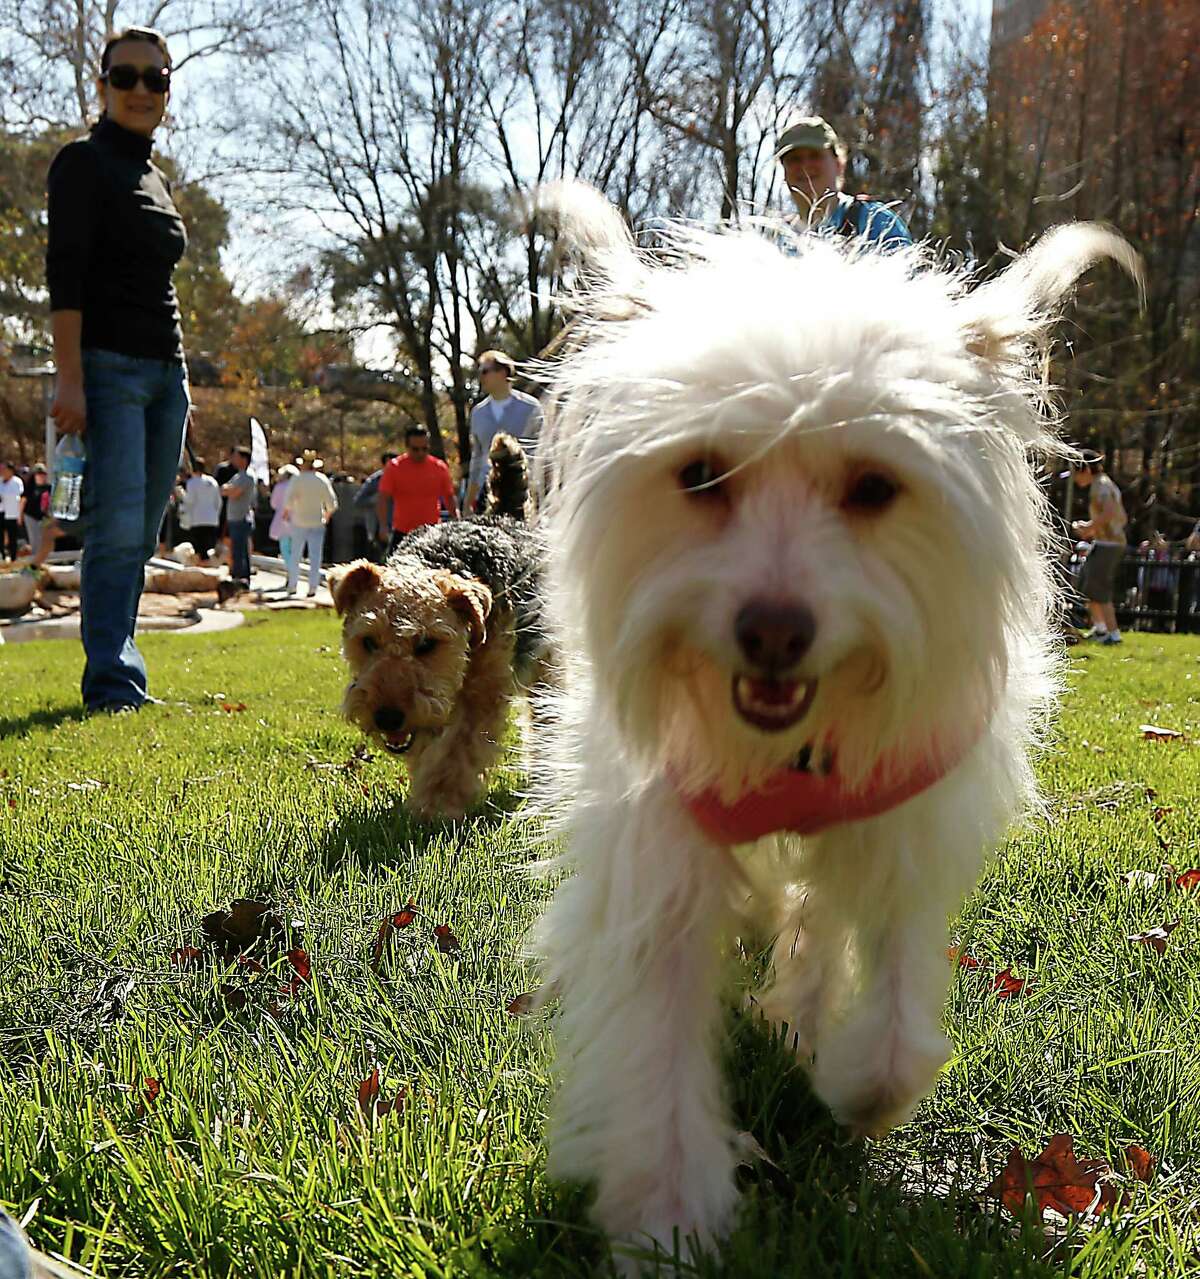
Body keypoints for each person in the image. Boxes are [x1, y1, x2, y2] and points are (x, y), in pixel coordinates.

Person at [46, 25, 189, 713]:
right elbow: (64, 278)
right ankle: (112, 683)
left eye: (154, 79)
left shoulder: (155, 176)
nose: (140, 89)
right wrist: (69, 379)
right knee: (117, 527)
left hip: (168, 374)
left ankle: (121, 670)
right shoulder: (81, 162)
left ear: (167, 90)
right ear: (102, 87)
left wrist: (178, 378)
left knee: (142, 533)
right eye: (125, 77)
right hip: (108, 371)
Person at [774, 116, 912, 251]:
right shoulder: (778, 240)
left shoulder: (876, 221)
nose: (804, 166)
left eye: (814, 155)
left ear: (839, 164)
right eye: (794, 159)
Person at [465, 351, 543, 513]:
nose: (481, 377)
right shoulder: (478, 413)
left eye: (485, 371)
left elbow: (542, 453)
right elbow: (477, 459)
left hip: (522, 493)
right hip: (486, 496)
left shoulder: (531, 408)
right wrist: (468, 501)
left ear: (503, 372)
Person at [1070, 449, 1127, 645]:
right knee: (1087, 583)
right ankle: (1100, 629)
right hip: (1103, 541)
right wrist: (1092, 530)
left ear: (1085, 468)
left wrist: (1088, 527)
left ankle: (1113, 634)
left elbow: (1110, 512)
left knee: (1099, 588)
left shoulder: (1101, 485)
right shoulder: (1099, 484)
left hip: (1109, 544)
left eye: (1076, 472)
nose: (1075, 478)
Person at [377, 425, 459, 553]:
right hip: (402, 533)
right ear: (407, 447)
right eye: (415, 449)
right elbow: (383, 498)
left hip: (431, 532)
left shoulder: (439, 467)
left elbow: (449, 497)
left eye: (424, 449)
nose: (420, 453)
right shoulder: (394, 467)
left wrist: (457, 520)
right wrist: (383, 526)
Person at [282, 449, 338, 596]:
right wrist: (327, 516)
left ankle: (293, 585)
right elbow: (332, 504)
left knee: (296, 554)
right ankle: (312, 587)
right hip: (316, 522)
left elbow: (287, 502)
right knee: (315, 555)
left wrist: (287, 513)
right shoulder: (322, 480)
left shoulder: (296, 480)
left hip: (299, 521)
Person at [220, 447, 255, 582]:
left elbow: (234, 492)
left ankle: (241, 578)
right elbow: (223, 489)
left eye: (236, 456)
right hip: (233, 518)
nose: (233, 459)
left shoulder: (247, 476)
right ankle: (238, 576)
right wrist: (229, 489)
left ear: (244, 459)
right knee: (235, 549)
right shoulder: (237, 476)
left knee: (241, 551)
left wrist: (229, 490)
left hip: (241, 518)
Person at [354, 450, 398, 558]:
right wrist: (375, 499)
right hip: (377, 528)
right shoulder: (375, 481)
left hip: (398, 527)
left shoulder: (404, 480)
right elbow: (358, 501)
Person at [182, 457, 221, 561]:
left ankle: (202, 567)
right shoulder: (212, 481)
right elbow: (218, 501)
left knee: (199, 547)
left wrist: (181, 495)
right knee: (208, 547)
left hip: (197, 519)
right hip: (211, 519)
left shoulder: (192, 482)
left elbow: (190, 501)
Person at [270, 463, 298, 566]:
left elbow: (273, 504)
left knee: (285, 548)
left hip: (282, 520)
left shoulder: (279, 487)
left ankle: (291, 569)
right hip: (297, 520)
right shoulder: (298, 488)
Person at [21, 463, 50, 560]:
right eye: (38, 474)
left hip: (44, 517)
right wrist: (19, 516)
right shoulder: (29, 488)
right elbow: (23, 502)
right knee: (34, 539)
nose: (40, 476)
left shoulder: (49, 488)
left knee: (44, 539)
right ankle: (35, 560)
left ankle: (43, 559)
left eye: (43, 474)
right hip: (30, 516)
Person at [0, 461, 24, 560]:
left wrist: (20, 515)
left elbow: (20, 496)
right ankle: (2, 555)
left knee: (12, 537)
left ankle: (13, 557)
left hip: (12, 513)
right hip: (1, 511)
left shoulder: (17, 482)